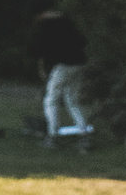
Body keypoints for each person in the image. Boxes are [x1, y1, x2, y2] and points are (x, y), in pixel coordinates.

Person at [30, 9, 92, 148]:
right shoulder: (66, 23)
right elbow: (82, 41)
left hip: (64, 66)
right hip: (79, 64)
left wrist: (43, 66)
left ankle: (52, 136)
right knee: (72, 100)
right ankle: (84, 135)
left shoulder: (47, 26)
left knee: (51, 100)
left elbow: (39, 49)